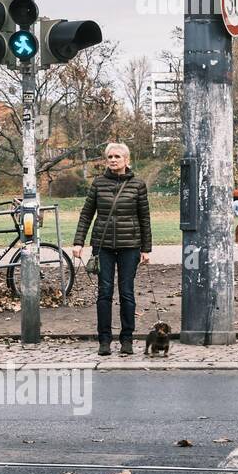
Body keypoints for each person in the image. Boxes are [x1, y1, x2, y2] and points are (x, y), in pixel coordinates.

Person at [71, 142, 152, 356]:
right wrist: (78, 242)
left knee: (127, 293)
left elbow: (144, 217)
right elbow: (86, 214)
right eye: (110, 157)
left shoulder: (138, 185)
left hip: (130, 246)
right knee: (104, 293)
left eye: (117, 156)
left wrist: (146, 248)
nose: (113, 160)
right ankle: (104, 341)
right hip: (102, 246)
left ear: (126, 159)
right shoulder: (98, 183)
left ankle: (127, 340)